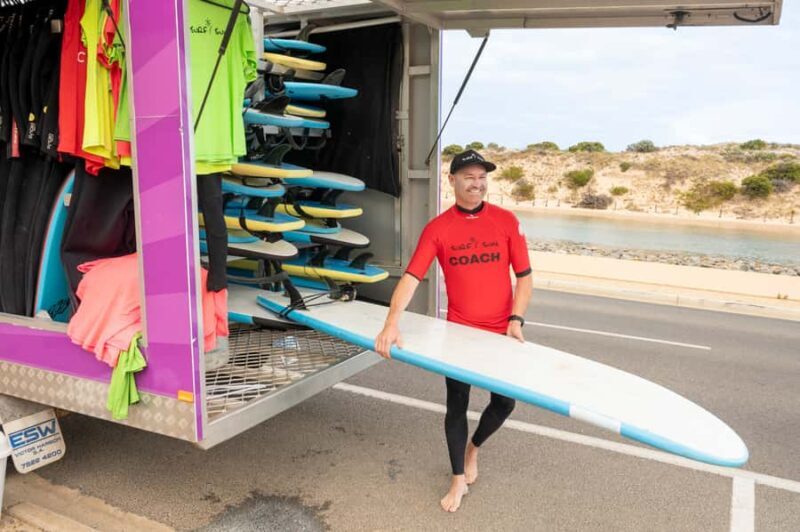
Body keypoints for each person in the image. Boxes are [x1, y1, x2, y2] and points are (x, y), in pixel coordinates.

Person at [375, 149, 533, 512]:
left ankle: (473, 447)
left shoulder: (507, 222)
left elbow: (524, 278)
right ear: (452, 181)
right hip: (459, 332)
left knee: (504, 402)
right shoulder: (439, 229)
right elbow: (412, 278)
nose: (477, 184)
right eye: (469, 177)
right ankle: (457, 478)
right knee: (456, 405)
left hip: (500, 333)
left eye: (482, 177)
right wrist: (391, 323)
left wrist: (516, 319)